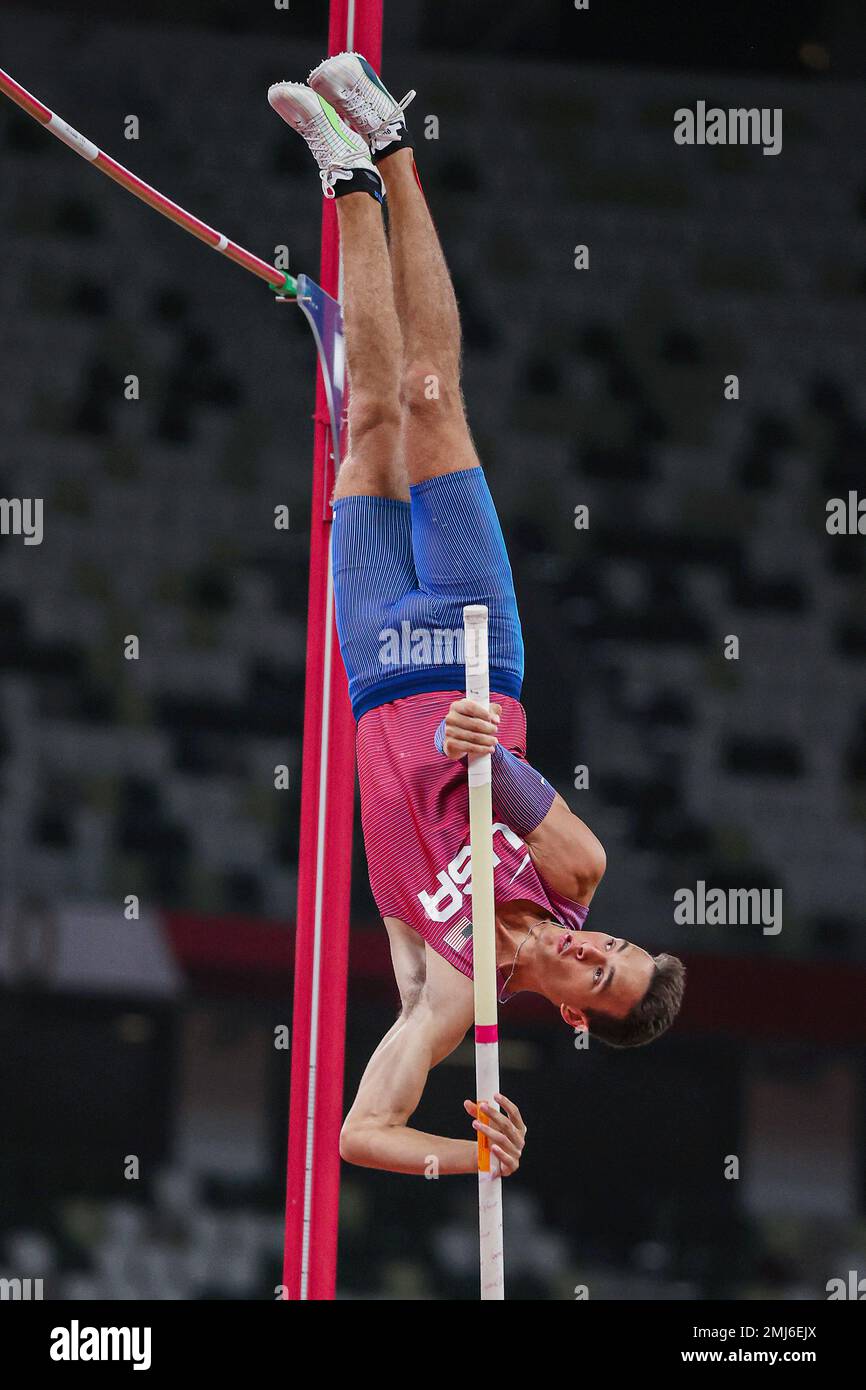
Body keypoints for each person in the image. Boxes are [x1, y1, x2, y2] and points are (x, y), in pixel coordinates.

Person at [268, 54, 685, 1179]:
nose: (594, 945)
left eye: (598, 973)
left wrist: (472, 1158)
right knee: (426, 398)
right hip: (469, 640)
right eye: (616, 946)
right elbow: (495, 770)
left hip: (371, 663)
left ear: (575, 1016)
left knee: (364, 419)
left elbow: (357, 1135)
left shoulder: (448, 991)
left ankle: (344, 176)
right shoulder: (577, 868)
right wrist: (482, 755)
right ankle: (397, 150)